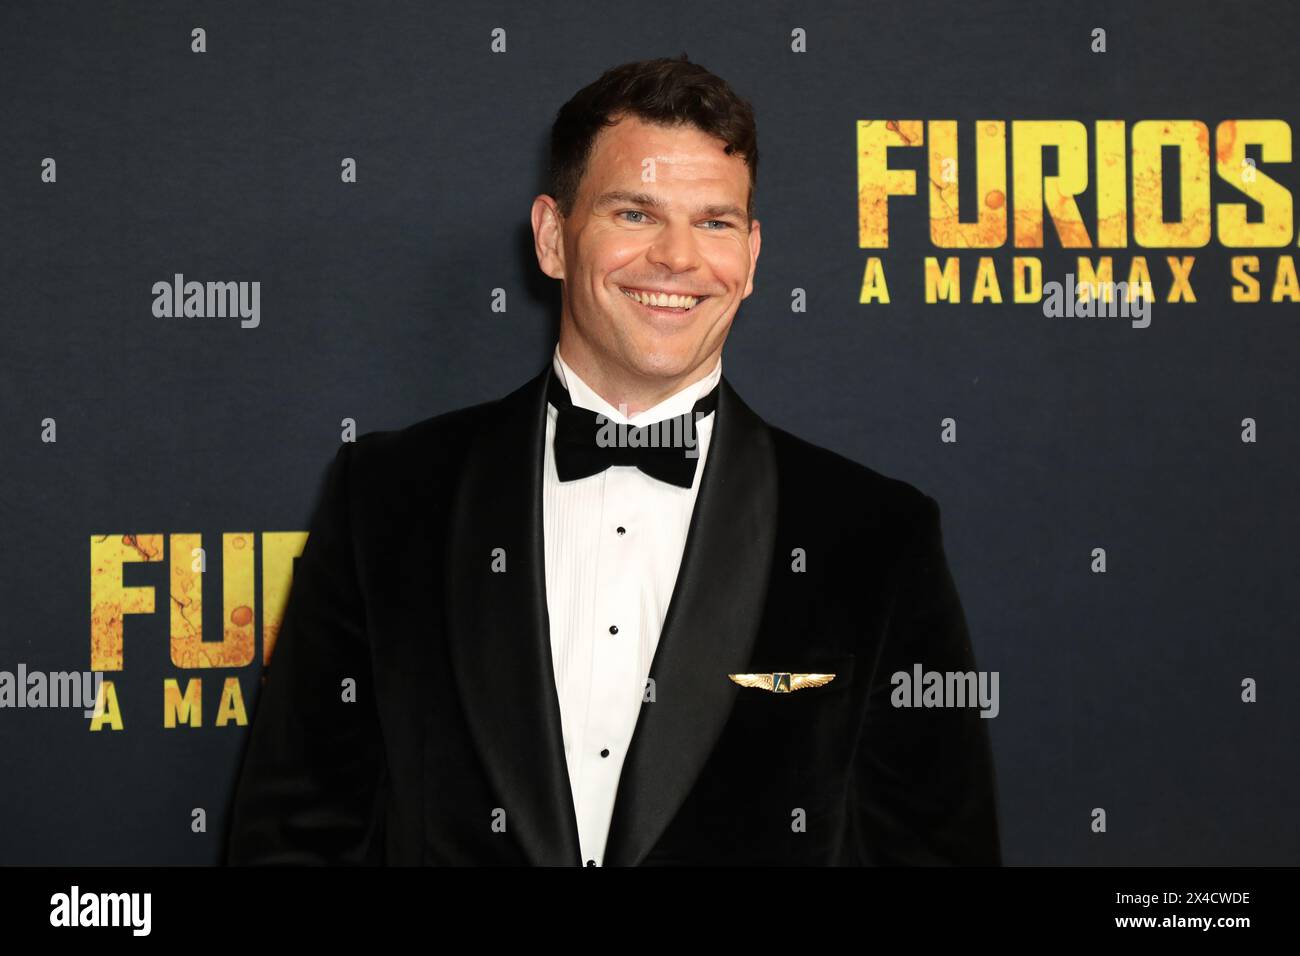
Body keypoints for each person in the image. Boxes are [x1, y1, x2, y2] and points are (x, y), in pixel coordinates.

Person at [227, 54, 1001, 866]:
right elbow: (292, 841)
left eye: (714, 222)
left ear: (753, 255)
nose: (677, 258)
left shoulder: (875, 536)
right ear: (553, 238)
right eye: (635, 214)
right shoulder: (387, 499)